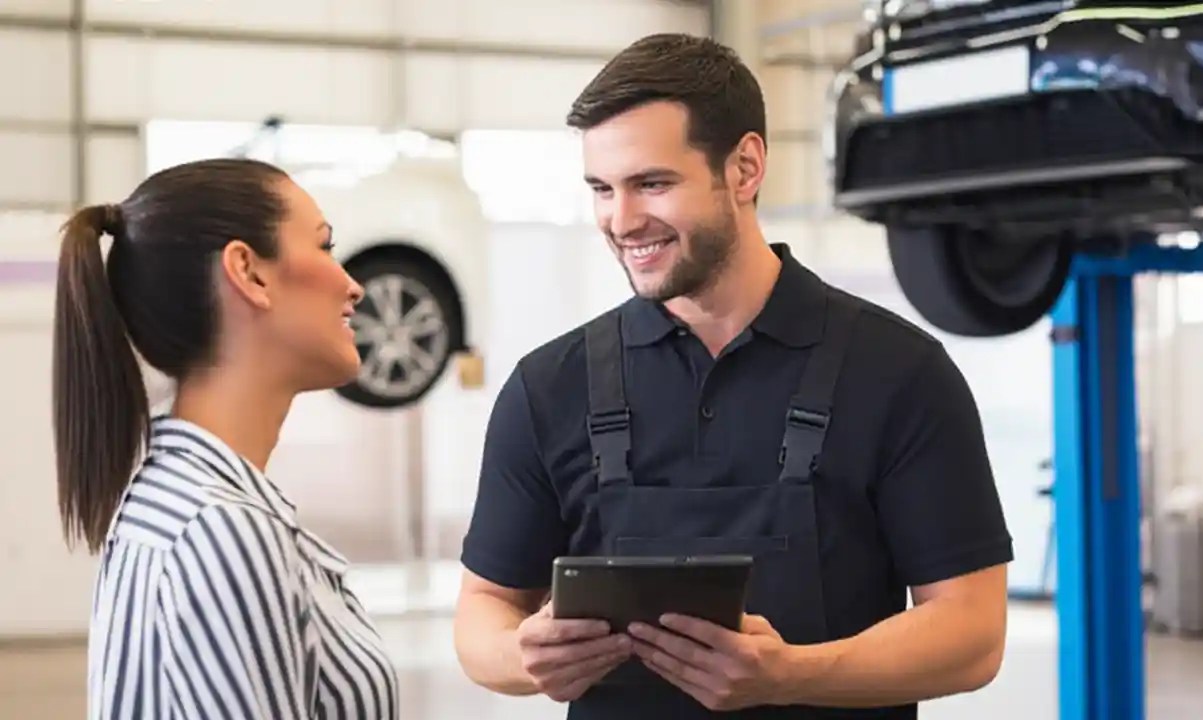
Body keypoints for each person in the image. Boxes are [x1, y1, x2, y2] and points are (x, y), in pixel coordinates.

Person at [452, 32, 1013, 719]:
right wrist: (523, 657)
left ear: (745, 168)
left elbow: (972, 633)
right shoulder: (549, 388)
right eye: (602, 189)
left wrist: (792, 674)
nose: (621, 221)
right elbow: (484, 610)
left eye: (651, 184)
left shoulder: (899, 374)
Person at [52, 158, 400, 719]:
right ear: (250, 272)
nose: (353, 286)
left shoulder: (170, 497)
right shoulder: (222, 526)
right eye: (325, 247)